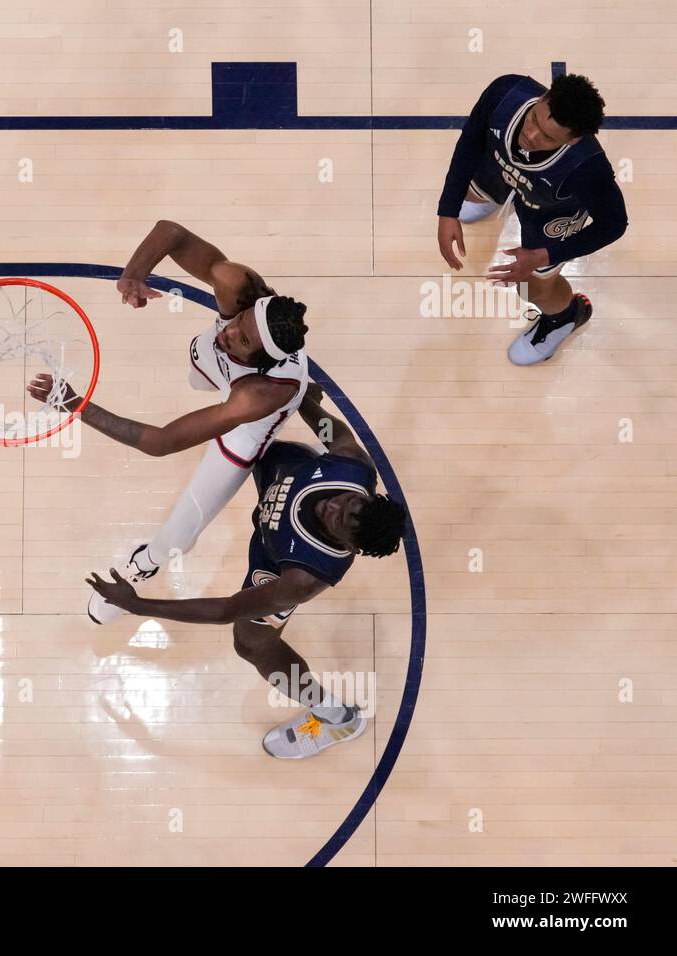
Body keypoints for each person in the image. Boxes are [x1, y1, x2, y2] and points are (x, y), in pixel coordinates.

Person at [85, 383, 407, 759]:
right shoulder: (353, 467)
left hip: (274, 560)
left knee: (251, 643)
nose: (333, 508)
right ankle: (152, 556)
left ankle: (336, 716)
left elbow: (227, 610)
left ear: (350, 546)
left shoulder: (306, 576)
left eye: (341, 522)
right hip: (272, 472)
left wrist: (139, 606)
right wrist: (304, 400)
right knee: (248, 430)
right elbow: (332, 433)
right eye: (346, 502)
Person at [27, 220, 310, 625]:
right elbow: (171, 232)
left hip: (247, 431)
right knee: (199, 362)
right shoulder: (240, 286)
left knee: (182, 533)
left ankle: (146, 561)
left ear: (264, 361)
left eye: (243, 340)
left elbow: (160, 442)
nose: (229, 332)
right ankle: (214, 371)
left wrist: (74, 404)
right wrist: (133, 275)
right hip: (225, 371)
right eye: (238, 322)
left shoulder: (260, 395)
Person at [436, 73, 627, 364]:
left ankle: (565, 317)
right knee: (478, 181)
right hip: (504, 168)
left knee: (532, 287)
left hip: (551, 209)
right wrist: (448, 209)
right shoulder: (506, 92)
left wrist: (543, 255)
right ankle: (493, 196)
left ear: (573, 140)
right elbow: (472, 138)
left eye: (548, 137)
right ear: (543, 97)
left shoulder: (588, 170)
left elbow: (613, 224)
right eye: (535, 119)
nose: (532, 135)